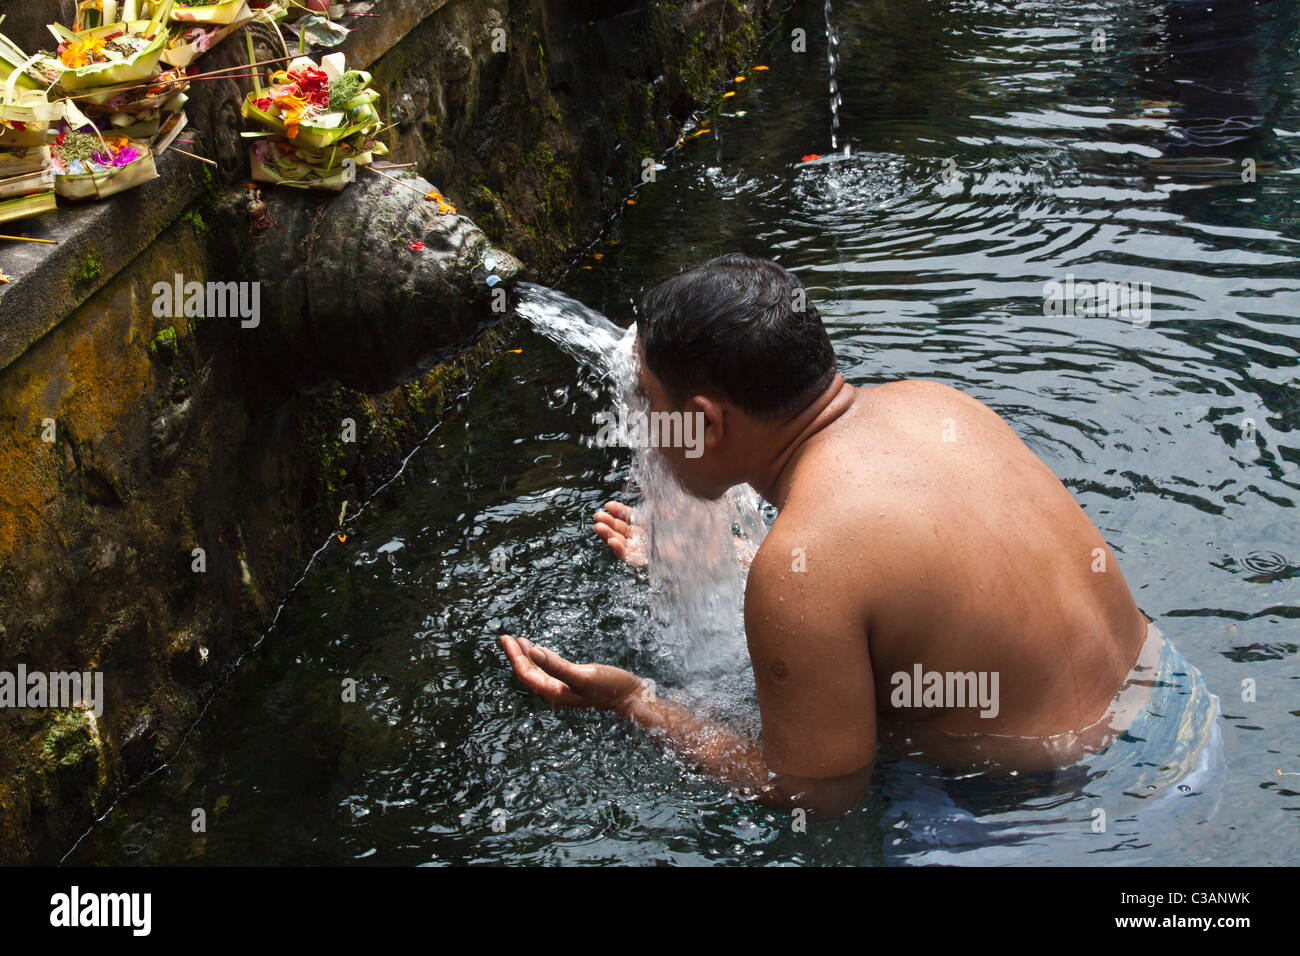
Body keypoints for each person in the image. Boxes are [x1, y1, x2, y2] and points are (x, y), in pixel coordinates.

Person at [500, 253, 1166, 817]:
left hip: (1069, 805)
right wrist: (730, 558)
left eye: (649, 404)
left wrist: (636, 701)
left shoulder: (807, 564)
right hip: (1170, 708)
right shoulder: (939, 404)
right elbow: (908, 577)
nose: (645, 430)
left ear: (705, 421)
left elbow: (815, 794)